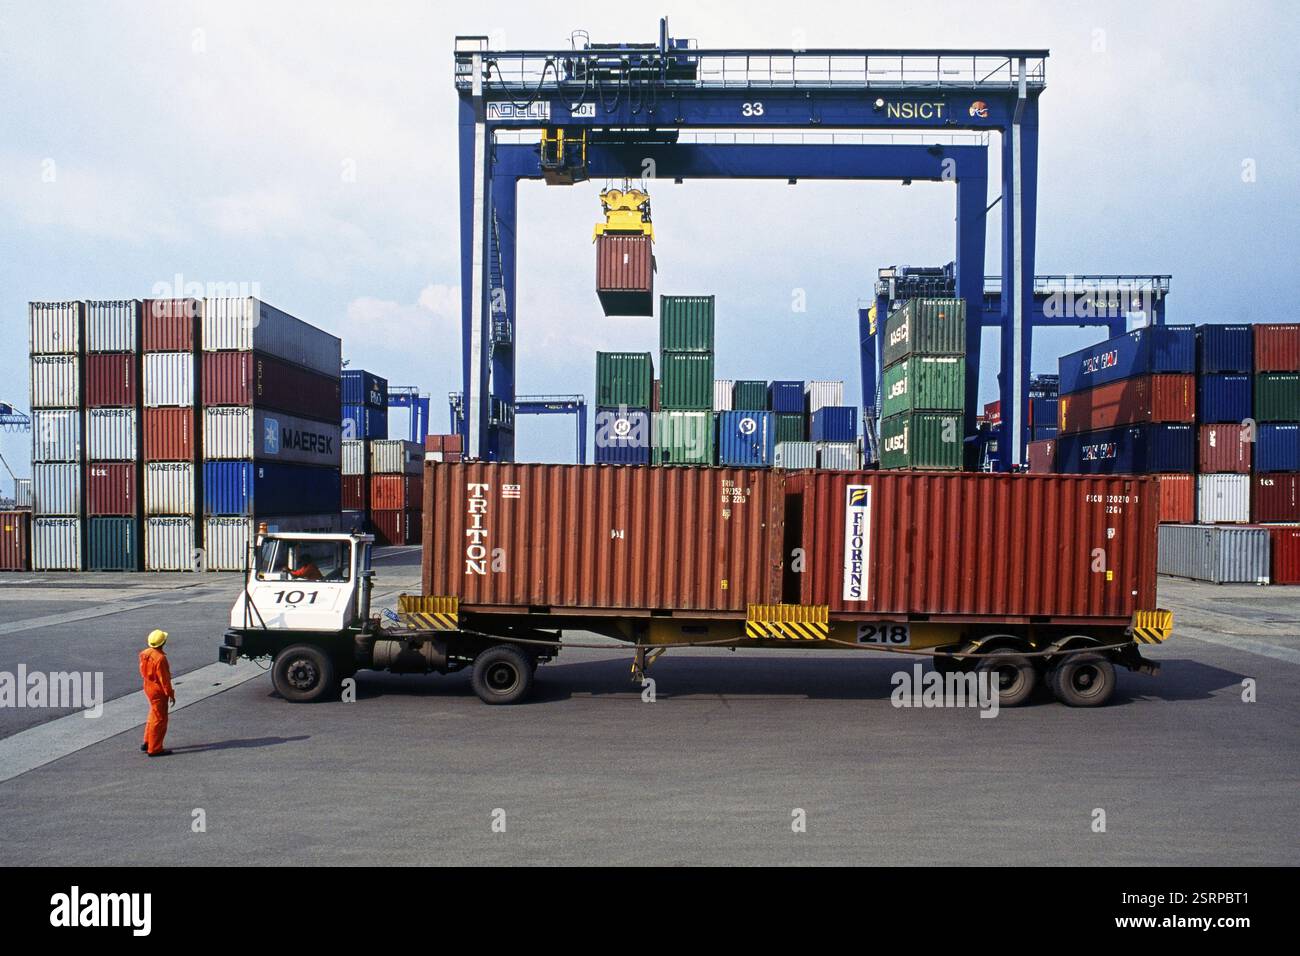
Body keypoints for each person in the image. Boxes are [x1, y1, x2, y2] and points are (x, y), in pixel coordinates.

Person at [139, 629, 175, 757]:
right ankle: (155, 748)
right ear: (163, 642)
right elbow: (164, 679)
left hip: (148, 685)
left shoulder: (144, 653)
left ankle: (147, 741)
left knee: (153, 714)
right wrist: (170, 694)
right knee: (160, 719)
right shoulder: (160, 658)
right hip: (157, 690)